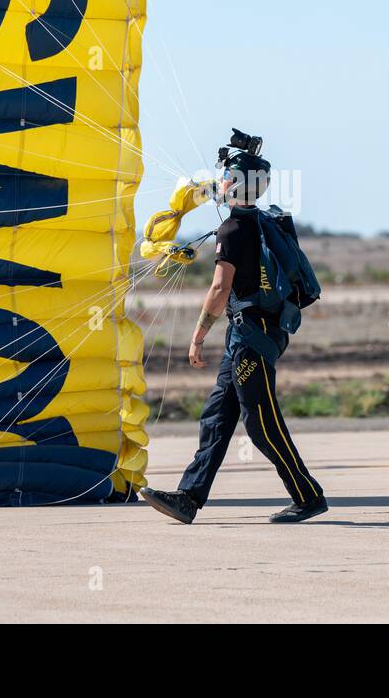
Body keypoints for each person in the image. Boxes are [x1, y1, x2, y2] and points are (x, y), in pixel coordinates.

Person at [140, 146, 327, 525]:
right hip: (250, 337)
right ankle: (188, 498)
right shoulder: (260, 222)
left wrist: (197, 335)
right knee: (216, 419)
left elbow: (218, 289)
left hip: (251, 341)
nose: (219, 180)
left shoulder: (232, 230)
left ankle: (307, 496)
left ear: (236, 183)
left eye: (225, 175)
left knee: (261, 423)